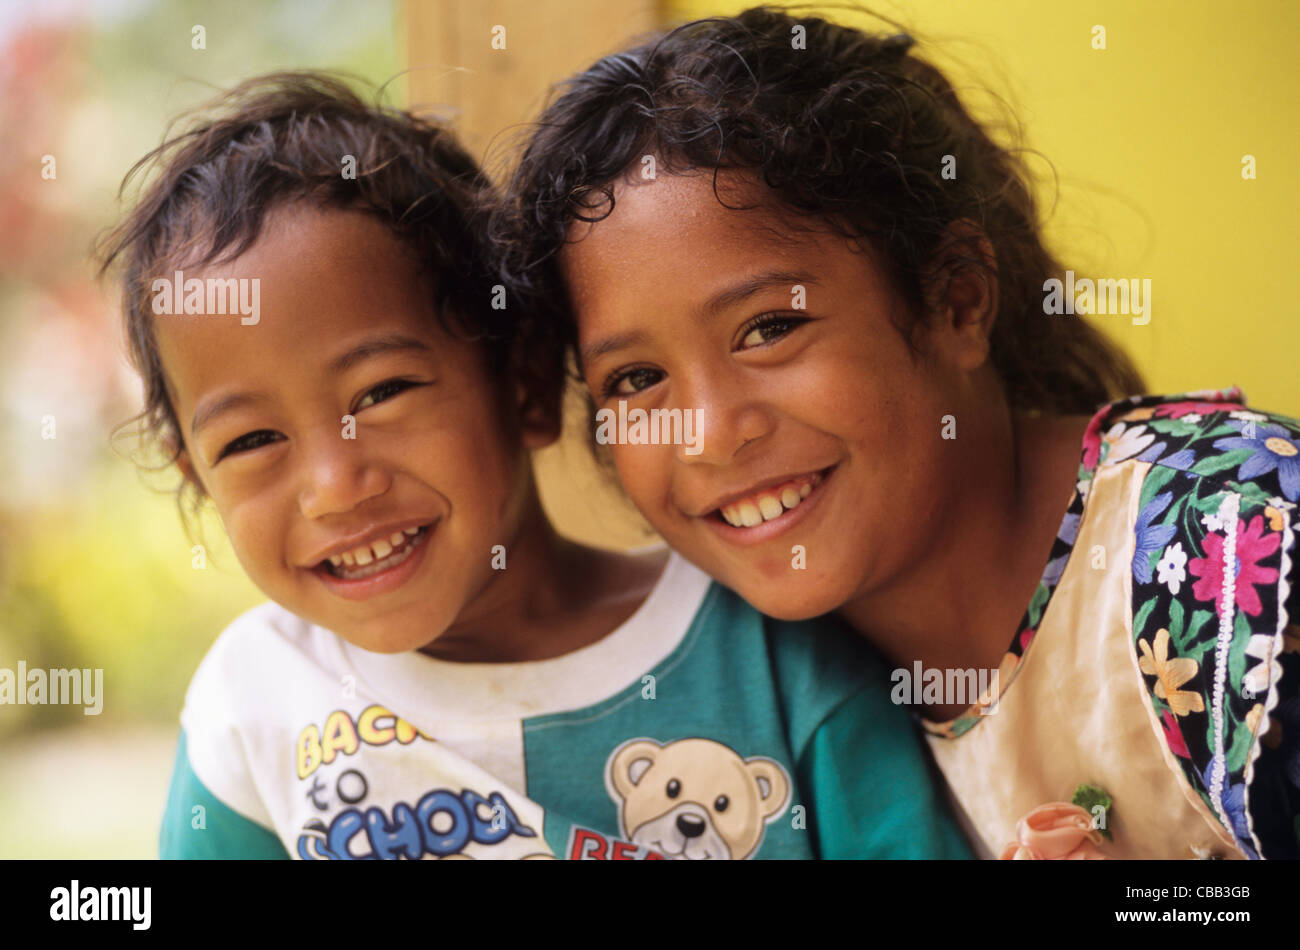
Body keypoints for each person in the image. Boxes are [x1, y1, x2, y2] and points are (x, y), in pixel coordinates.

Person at [97, 72, 971, 860]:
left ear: (521, 382)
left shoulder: (776, 657)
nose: (334, 484)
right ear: (196, 476)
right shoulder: (255, 708)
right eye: (250, 442)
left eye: (384, 391)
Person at [494, 7, 1300, 859]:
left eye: (769, 328)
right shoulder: (756, 684)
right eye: (638, 379)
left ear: (955, 301)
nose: (710, 437)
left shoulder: (1231, 538)